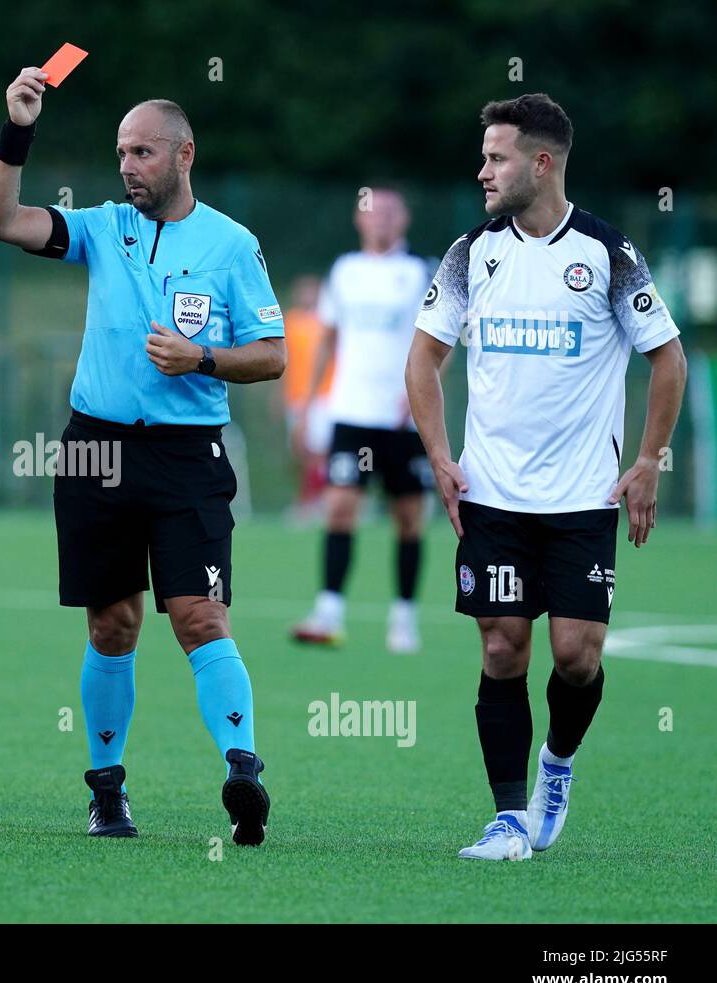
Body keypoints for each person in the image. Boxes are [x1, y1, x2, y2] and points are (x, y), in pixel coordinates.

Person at [0, 69, 285, 845]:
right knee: (112, 625)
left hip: (187, 456)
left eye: (143, 152)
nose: (127, 166)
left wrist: (203, 358)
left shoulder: (232, 242)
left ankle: (243, 770)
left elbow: (273, 355)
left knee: (198, 615)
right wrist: (19, 129)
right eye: (121, 152)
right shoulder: (101, 227)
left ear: (185, 155)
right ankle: (107, 793)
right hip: (96, 451)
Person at [405, 93, 687, 860]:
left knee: (576, 655)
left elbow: (668, 357)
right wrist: (439, 455)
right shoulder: (471, 251)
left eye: (496, 158)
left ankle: (555, 767)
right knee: (502, 652)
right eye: (483, 157)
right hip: (492, 493)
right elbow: (425, 358)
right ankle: (505, 819)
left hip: (581, 498)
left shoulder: (607, 252)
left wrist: (649, 463)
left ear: (542, 161)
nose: (482, 171)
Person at [292, 188, 435, 652]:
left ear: (405, 219)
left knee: (409, 518)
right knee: (338, 508)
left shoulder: (418, 273)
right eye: (372, 213)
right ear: (359, 220)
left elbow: (438, 345)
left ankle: (404, 617)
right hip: (351, 414)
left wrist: (417, 395)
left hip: (400, 419)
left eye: (390, 212)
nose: (381, 221)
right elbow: (328, 342)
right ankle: (329, 612)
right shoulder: (345, 271)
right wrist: (312, 403)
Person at [278, 274, 331, 519]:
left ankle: (319, 500)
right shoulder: (290, 322)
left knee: (319, 450)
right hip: (296, 396)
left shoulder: (326, 322)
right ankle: (310, 497)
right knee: (300, 451)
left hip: (323, 395)